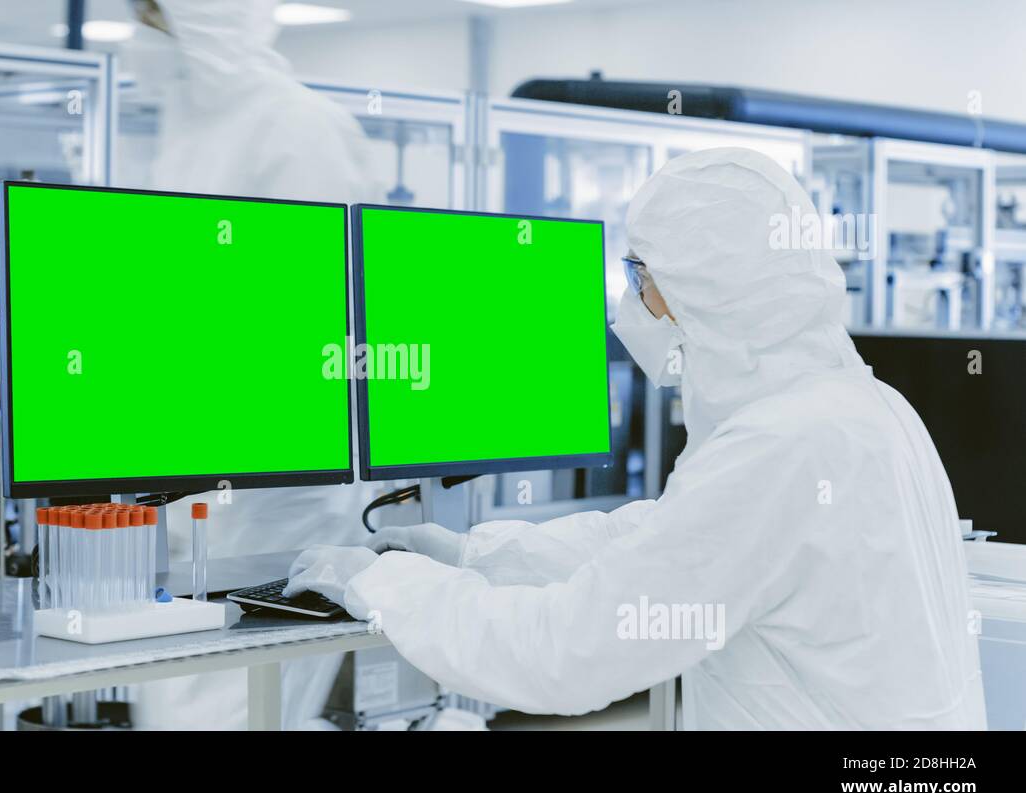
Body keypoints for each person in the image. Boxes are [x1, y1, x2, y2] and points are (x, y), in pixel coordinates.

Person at [286, 147, 988, 730]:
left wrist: (380, 584)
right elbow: (667, 540)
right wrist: (479, 553)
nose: (631, 305)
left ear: (711, 291)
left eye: (643, 278)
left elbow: (563, 652)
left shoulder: (779, 447)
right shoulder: (860, 406)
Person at [127, 0, 382, 731]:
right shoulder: (190, 127)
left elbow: (314, 304)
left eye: (154, 15)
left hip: (284, 480)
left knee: (232, 706)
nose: (144, 34)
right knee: (191, 692)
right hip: (202, 472)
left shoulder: (295, 126)